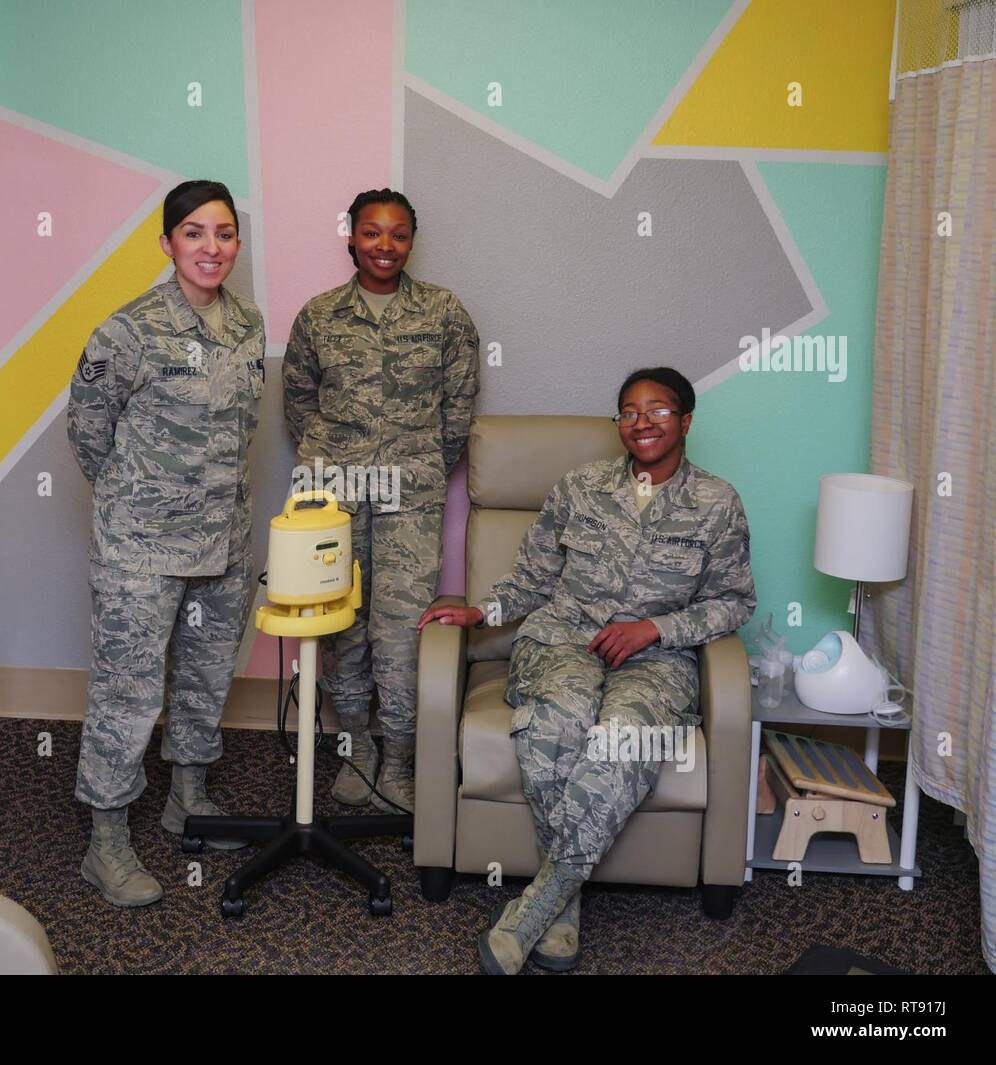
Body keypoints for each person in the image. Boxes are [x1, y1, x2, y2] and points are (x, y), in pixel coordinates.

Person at [419, 367, 755, 974]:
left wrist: (656, 628)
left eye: (657, 410)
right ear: (618, 423)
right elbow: (531, 579)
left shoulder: (717, 503)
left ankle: (539, 905)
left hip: (657, 661)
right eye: (629, 411)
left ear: (686, 421)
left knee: (622, 742)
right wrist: (480, 609)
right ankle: (565, 906)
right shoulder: (579, 487)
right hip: (563, 640)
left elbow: (734, 601)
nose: (642, 422)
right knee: (555, 725)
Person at [67, 179, 266, 907]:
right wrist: (135, 501)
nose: (210, 248)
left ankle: (188, 795)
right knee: (128, 691)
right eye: (194, 233)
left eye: (223, 233)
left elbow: (242, 429)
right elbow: (88, 430)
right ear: (167, 244)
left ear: (236, 243)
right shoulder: (128, 331)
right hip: (142, 546)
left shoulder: (249, 324)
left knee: (205, 674)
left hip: (222, 538)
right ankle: (108, 840)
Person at [283, 189, 480, 811]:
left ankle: (397, 760)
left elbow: (459, 408)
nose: (384, 246)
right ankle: (354, 752)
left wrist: (418, 465)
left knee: (400, 629)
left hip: (408, 493)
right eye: (372, 233)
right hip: (333, 491)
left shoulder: (445, 313)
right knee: (341, 619)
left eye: (397, 235)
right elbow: (298, 400)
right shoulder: (319, 316)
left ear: (411, 242)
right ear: (352, 238)